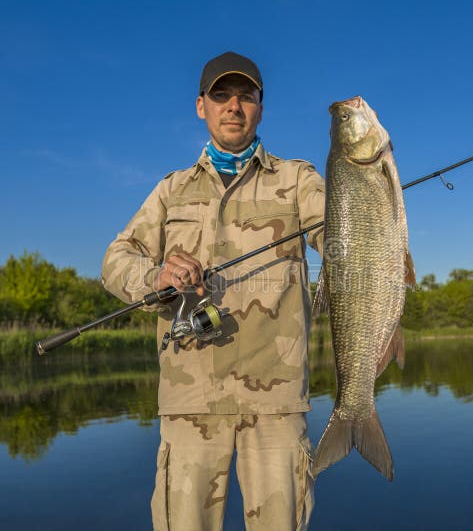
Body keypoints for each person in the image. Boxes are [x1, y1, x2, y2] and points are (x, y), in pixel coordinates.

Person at [101, 51, 325, 530]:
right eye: (221, 96)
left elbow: (342, 235)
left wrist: (368, 192)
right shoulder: (171, 190)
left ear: (261, 107)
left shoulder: (299, 180)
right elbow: (115, 261)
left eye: (246, 97)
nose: (234, 107)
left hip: (277, 404)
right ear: (201, 106)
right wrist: (154, 276)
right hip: (190, 403)